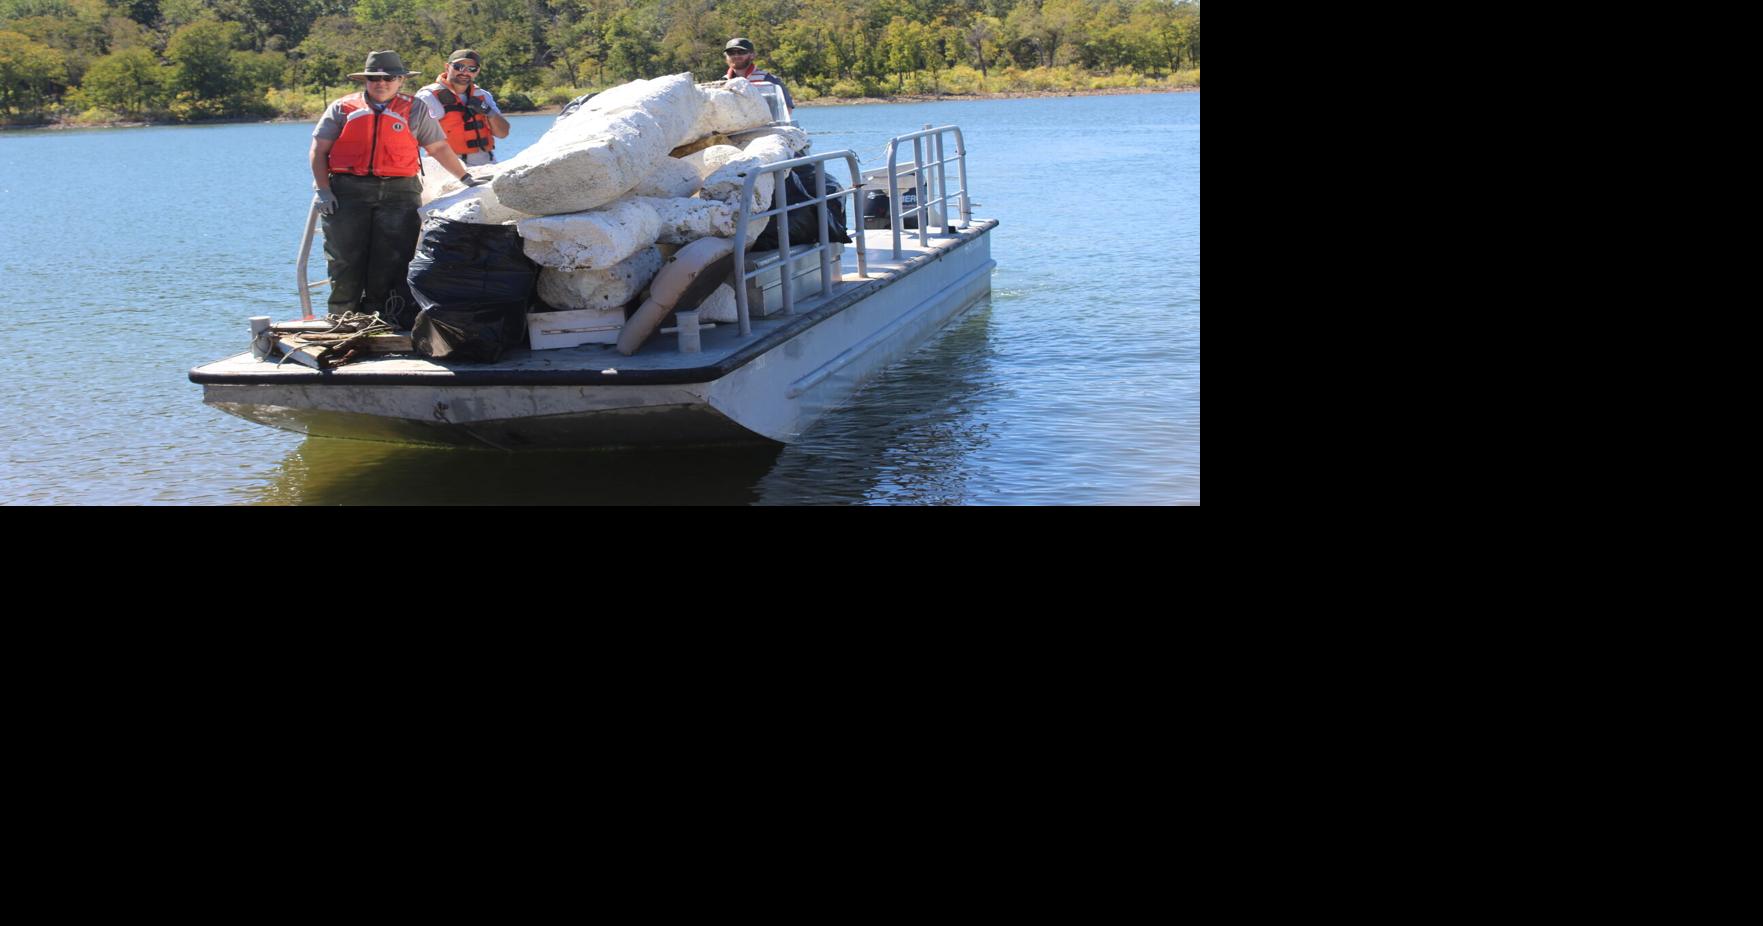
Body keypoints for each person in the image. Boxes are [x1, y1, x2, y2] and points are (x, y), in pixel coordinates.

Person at [308, 50, 482, 319]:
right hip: (347, 191)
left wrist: (466, 178)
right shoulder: (342, 108)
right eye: (374, 78)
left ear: (401, 80)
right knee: (344, 259)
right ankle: (342, 318)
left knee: (394, 258)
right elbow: (319, 151)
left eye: (389, 77)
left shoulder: (415, 108)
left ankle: (386, 317)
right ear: (365, 81)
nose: (382, 83)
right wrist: (323, 190)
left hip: (400, 192)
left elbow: (438, 148)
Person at [415, 49, 510, 167]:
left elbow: (503, 133)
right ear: (447, 67)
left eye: (472, 69)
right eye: (459, 67)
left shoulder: (483, 96)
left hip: (488, 165)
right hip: (449, 170)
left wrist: (488, 111)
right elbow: (411, 139)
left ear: (477, 71)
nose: (464, 72)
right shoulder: (428, 97)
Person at [722, 37, 794, 119]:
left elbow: (787, 109)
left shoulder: (768, 79)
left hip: (765, 129)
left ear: (752, 55)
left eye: (741, 52)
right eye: (731, 53)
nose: (736, 56)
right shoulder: (722, 81)